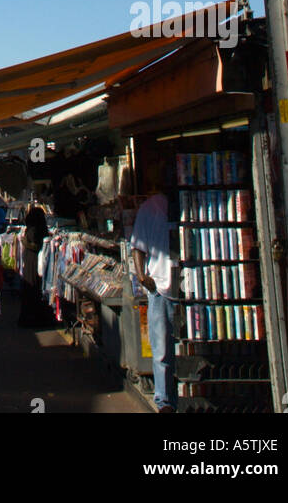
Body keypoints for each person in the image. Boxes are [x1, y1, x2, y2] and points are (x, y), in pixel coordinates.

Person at [131, 177, 178, 413]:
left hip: (186, 287)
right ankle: (165, 402)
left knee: (171, 347)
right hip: (160, 287)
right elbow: (137, 246)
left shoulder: (185, 205)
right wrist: (141, 276)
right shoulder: (150, 207)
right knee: (161, 349)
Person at [18, 203, 49, 328]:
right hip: (33, 261)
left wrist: (24, 241)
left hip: (32, 262)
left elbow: (35, 245)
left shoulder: (33, 229)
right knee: (34, 289)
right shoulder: (39, 227)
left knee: (30, 289)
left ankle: (30, 317)